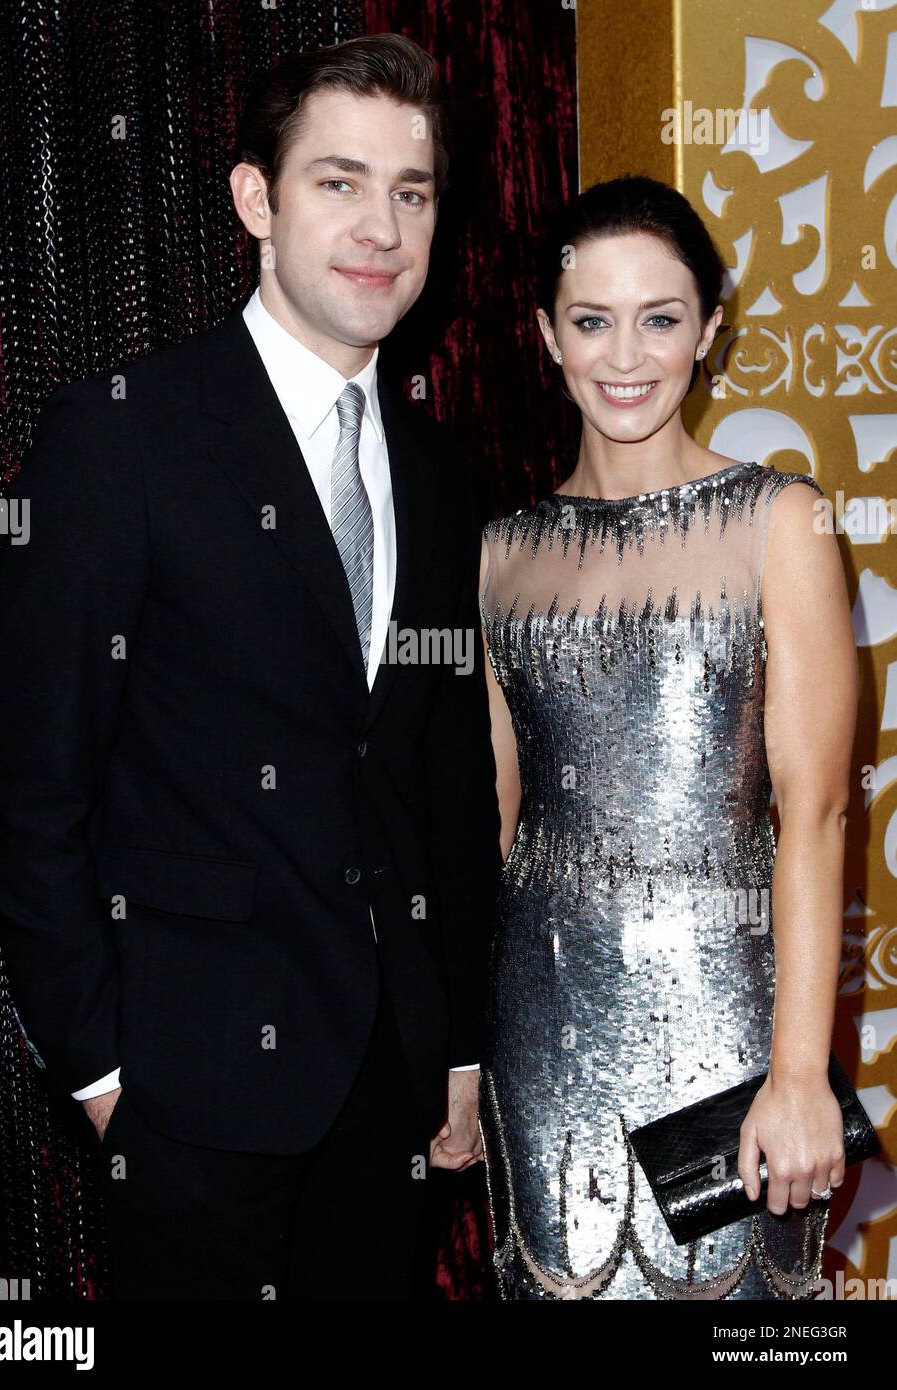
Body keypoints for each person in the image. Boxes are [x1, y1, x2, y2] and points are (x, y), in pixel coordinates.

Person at [0, 33, 501, 1300]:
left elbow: (443, 784)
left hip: (391, 1096)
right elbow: (31, 788)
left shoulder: (438, 472)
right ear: (256, 199)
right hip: (186, 1098)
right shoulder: (122, 437)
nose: (381, 226)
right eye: (338, 181)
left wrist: (460, 1046)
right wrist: (100, 1077)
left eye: (411, 191)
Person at [476, 174, 858, 1299]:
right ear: (548, 335)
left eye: (661, 318)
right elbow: (498, 838)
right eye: (592, 320)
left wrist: (797, 1075)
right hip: (543, 1043)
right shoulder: (502, 553)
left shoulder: (776, 520)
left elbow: (819, 809)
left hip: (730, 1043)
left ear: (710, 326)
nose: (625, 355)